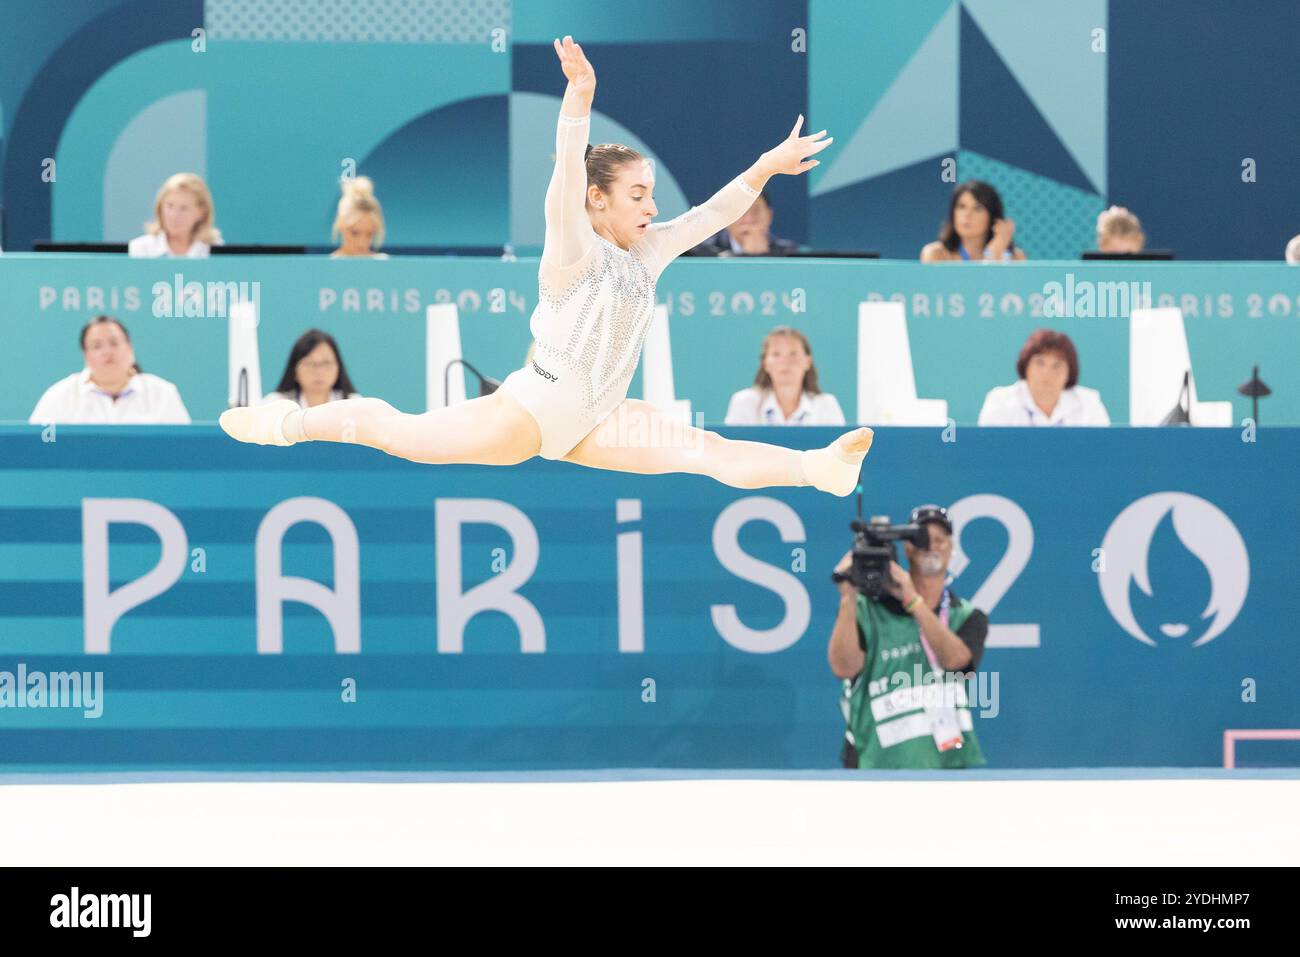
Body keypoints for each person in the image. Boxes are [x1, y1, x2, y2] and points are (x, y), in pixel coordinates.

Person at [219, 36, 873, 497]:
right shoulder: (572, 248)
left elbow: (712, 213)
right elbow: (565, 172)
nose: (653, 205)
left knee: (709, 453)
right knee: (396, 432)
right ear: (599, 199)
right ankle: (278, 423)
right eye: (638, 194)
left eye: (651, 192)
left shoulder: (647, 252)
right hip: (527, 412)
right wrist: (579, 99)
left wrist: (764, 167)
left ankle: (819, 467)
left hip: (601, 419)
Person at [828, 504, 988, 769]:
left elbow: (957, 662)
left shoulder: (967, 616)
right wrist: (848, 596)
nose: (931, 546)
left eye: (940, 540)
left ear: (951, 550)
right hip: (873, 769)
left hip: (945, 769)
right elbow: (843, 667)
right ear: (907, 549)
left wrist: (912, 600)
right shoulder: (868, 610)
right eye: (921, 539)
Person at [29, 315, 191, 424]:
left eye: (114, 343)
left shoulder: (161, 393)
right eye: (97, 346)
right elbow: (40, 444)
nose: (107, 352)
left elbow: (183, 448)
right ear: (85, 355)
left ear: (130, 348)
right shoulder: (61, 396)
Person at [978, 329, 1110, 426]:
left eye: (1057, 365)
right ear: (1026, 366)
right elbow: (990, 454)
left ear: (1069, 372)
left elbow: (1103, 453)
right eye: (1040, 363)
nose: (1047, 373)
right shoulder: (1000, 402)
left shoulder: (1088, 403)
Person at [724, 326, 845, 425]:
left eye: (793, 354)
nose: (785, 361)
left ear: (807, 362)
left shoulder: (826, 405)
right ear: (765, 363)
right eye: (776, 354)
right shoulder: (744, 403)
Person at [920, 180, 1026, 262]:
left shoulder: (1016, 257)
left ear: (993, 217)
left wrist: (995, 253)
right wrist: (991, 255)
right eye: (962, 207)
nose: (967, 215)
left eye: (977, 208)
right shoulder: (936, 254)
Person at [128, 173, 222, 258]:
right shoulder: (140, 249)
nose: (174, 215)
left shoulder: (215, 252)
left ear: (201, 212)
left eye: (184, 208)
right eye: (170, 206)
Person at [263, 330, 362, 409]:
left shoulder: (355, 405)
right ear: (295, 370)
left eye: (326, 363)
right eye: (310, 364)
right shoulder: (276, 405)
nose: (319, 371)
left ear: (338, 368)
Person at [690, 191, 796, 256]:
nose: (749, 219)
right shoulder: (703, 253)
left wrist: (765, 255)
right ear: (726, 219)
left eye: (756, 211)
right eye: (740, 212)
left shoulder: (787, 252)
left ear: (769, 215)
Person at [330, 176, 390, 259]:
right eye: (354, 233)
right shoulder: (327, 266)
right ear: (341, 226)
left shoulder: (383, 263)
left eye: (369, 234)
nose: (361, 243)